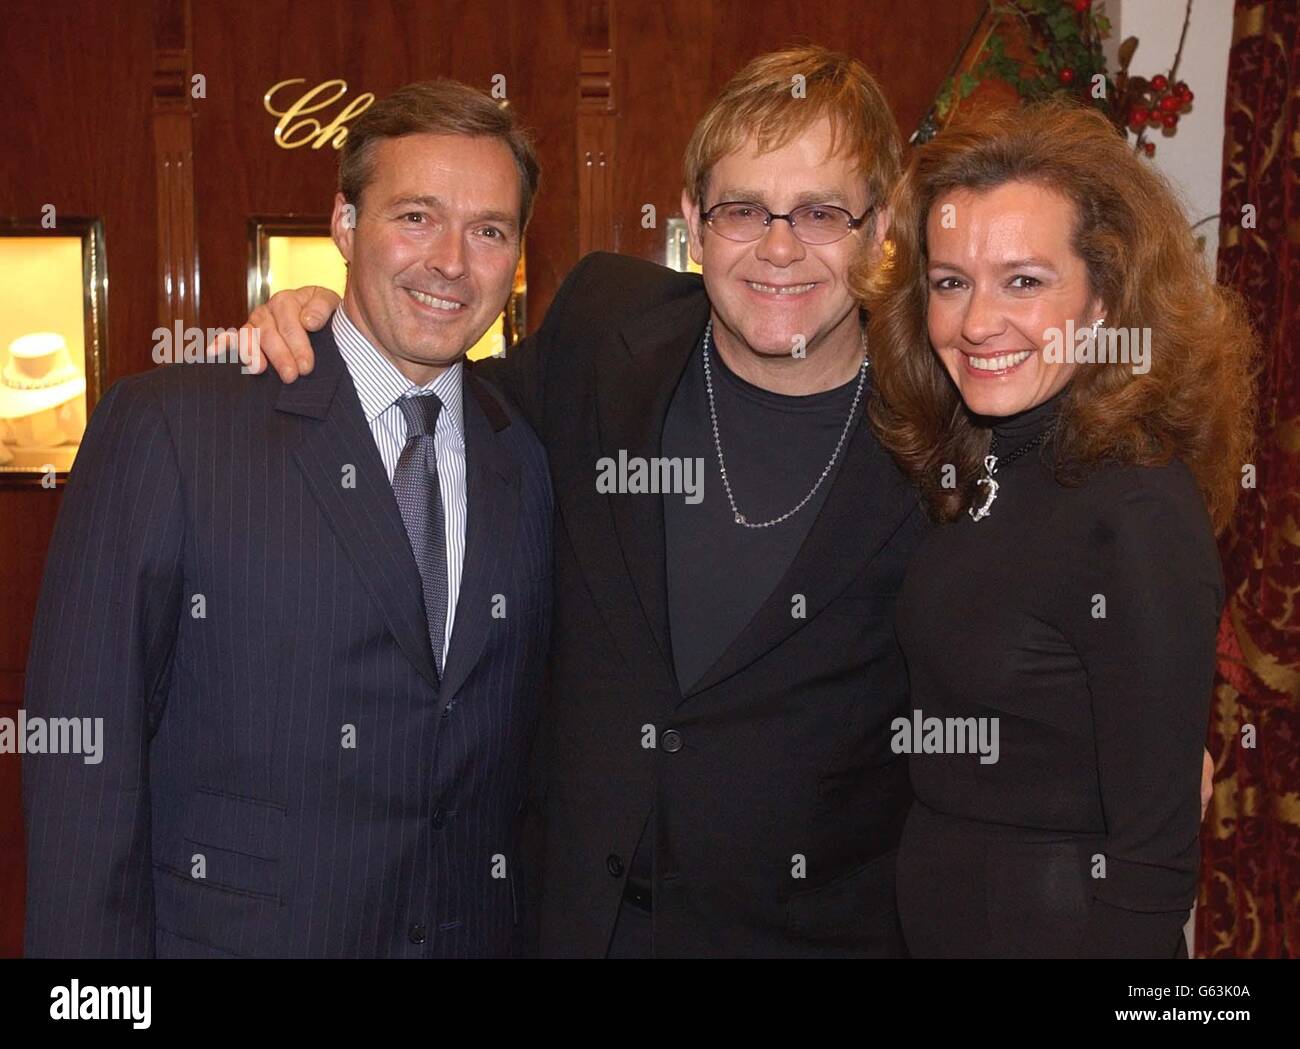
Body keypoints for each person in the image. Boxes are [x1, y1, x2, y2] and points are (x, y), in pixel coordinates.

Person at [230, 51, 1216, 957]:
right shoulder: (599, 333)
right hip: (565, 925)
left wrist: (1149, 767)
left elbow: (1043, 667)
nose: (777, 248)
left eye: (821, 212)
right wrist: (336, 319)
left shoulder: (947, 428)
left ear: (879, 232)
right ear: (693, 226)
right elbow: (445, 399)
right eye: (743, 209)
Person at [23, 80, 553, 957]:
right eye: (416, 217)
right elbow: (86, 766)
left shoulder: (529, 456)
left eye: (490, 230)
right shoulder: (173, 429)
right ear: (344, 226)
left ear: (517, 255)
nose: (452, 261)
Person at [854, 101, 1256, 957]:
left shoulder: (1137, 508)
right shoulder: (981, 462)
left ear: (1106, 299)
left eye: (1025, 281)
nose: (977, 322)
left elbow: (1152, 866)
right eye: (951, 280)